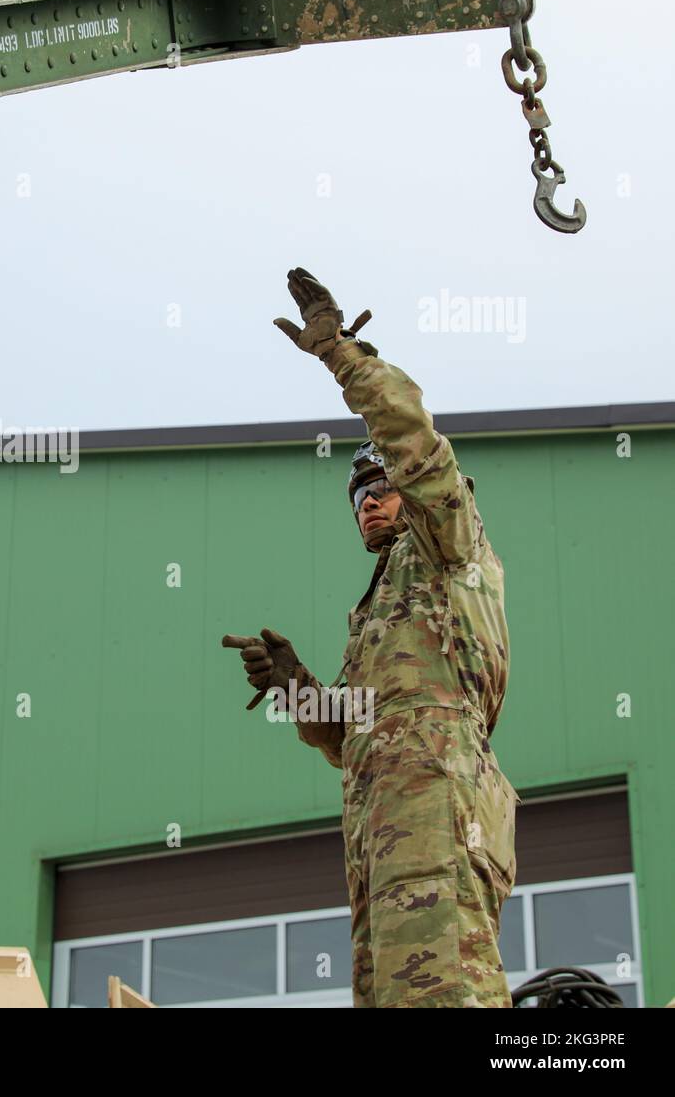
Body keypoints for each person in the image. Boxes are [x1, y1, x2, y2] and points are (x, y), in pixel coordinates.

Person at [223, 268, 519, 1008]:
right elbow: (358, 729)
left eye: (381, 484)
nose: (370, 500)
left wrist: (343, 358)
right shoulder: (379, 611)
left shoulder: (449, 552)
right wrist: (297, 689)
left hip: (438, 819)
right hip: (381, 839)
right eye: (357, 493)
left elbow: (417, 446)